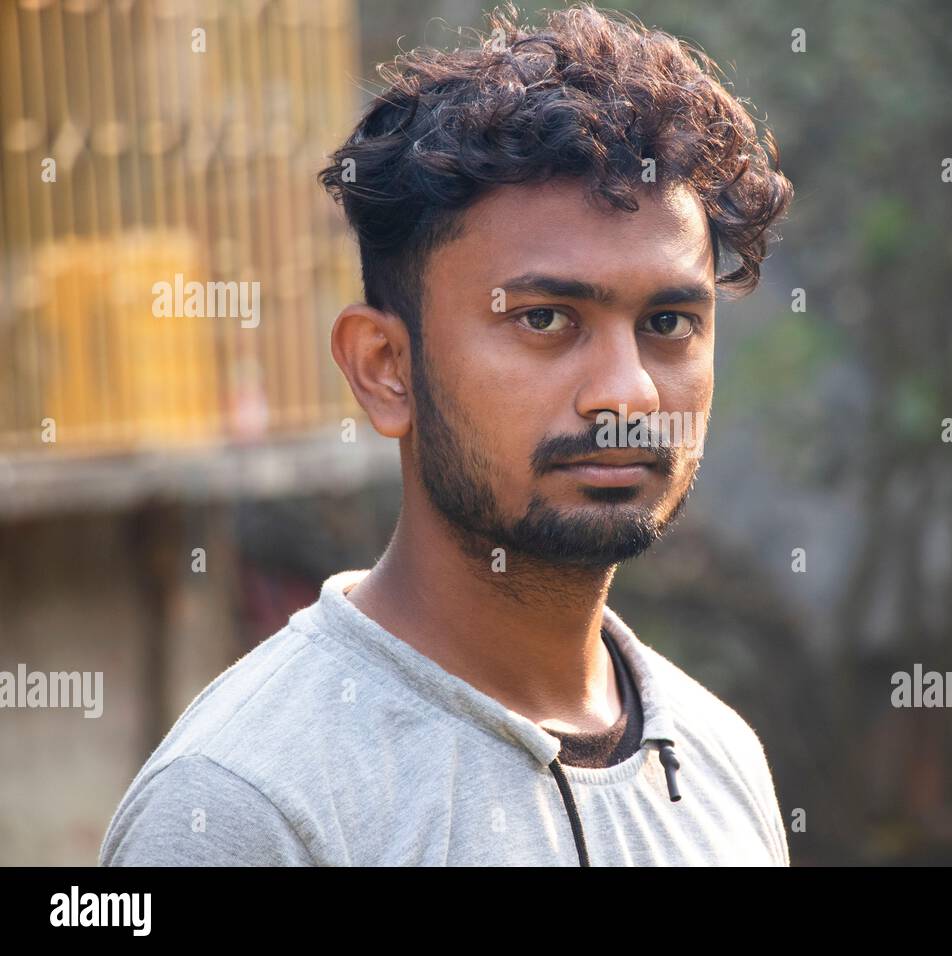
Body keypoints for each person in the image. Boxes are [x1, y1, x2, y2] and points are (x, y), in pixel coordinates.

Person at [100, 1, 793, 866]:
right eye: (545, 318)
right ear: (385, 367)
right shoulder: (248, 804)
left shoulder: (721, 763)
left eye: (669, 323)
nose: (628, 393)